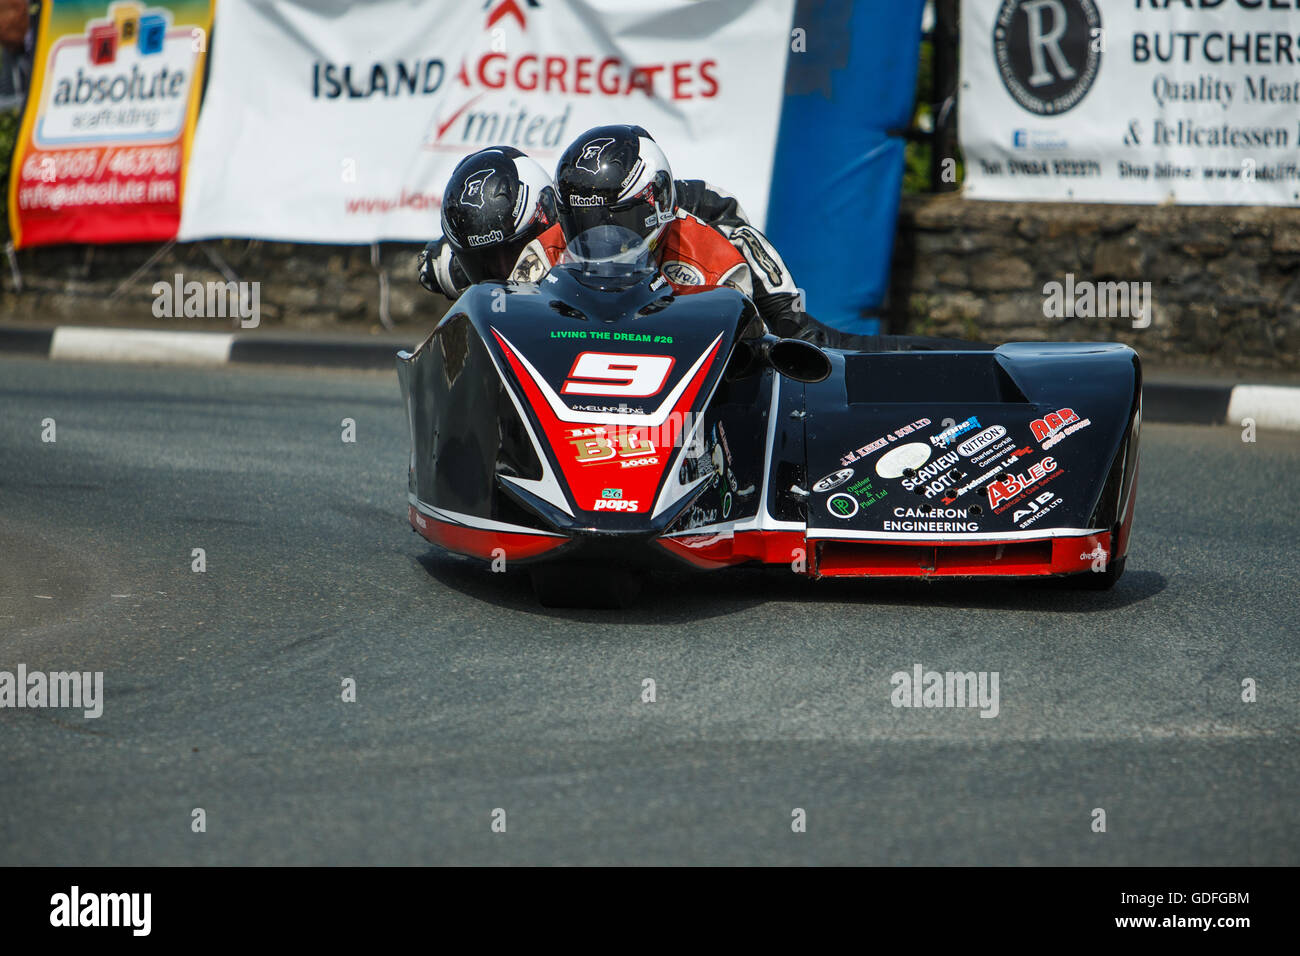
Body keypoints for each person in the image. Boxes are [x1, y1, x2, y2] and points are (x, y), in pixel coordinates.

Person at [419, 128, 819, 340]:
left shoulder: (716, 261)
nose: (600, 240)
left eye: (615, 224)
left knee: (795, 331)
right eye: (582, 222)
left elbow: (754, 358)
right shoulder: (540, 254)